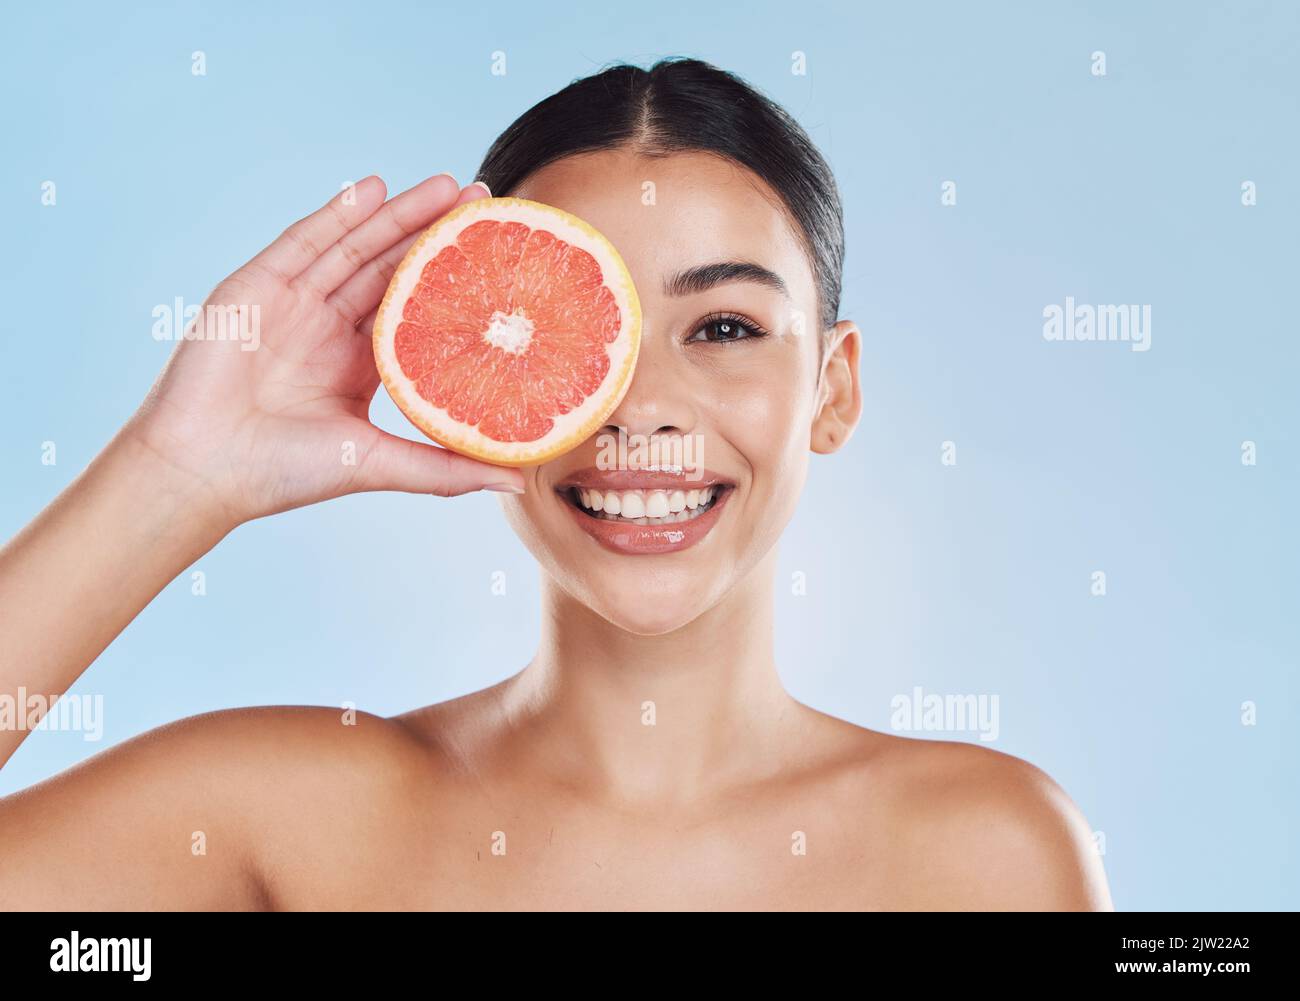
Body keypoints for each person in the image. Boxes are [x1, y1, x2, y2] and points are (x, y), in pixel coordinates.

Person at [0, 58, 1113, 910]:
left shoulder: (982, 847)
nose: (638, 405)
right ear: (471, 377)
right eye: (564, 332)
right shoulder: (288, 813)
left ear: (833, 388)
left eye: (722, 325)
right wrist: (176, 473)